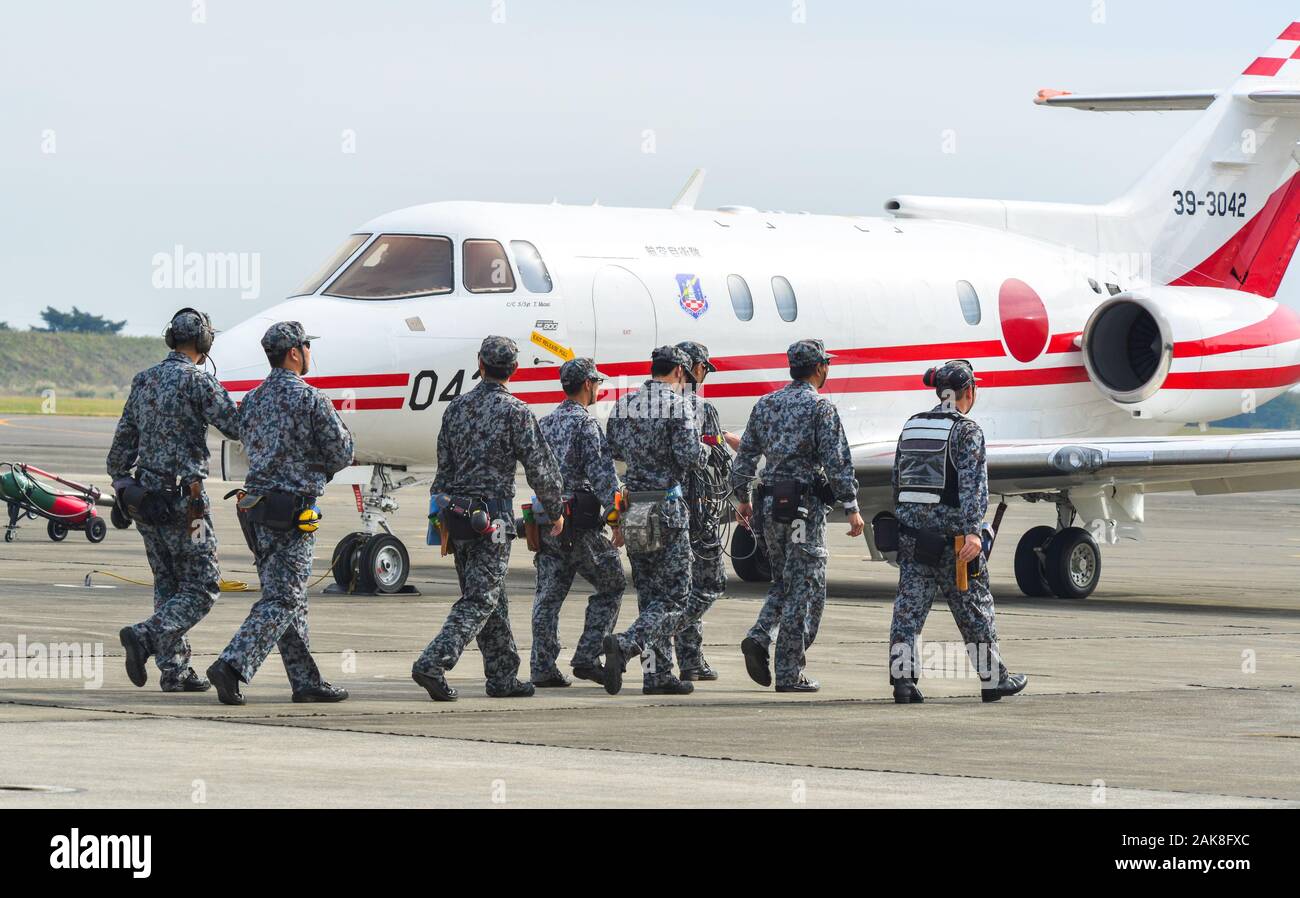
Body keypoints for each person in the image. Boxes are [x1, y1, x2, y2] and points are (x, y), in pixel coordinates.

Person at [205, 321, 354, 705]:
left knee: (287, 595)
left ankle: (305, 681)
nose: (309, 353)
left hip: (256, 509)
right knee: (284, 600)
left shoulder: (252, 399)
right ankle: (232, 664)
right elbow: (342, 452)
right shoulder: (311, 400)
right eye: (306, 346)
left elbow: (242, 439)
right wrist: (317, 469)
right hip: (292, 511)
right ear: (294, 352)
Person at [411, 336, 565, 702]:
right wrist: (555, 511)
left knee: (490, 597)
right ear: (514, 370)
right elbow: (540, 469)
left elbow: (443, 470)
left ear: (479, 364)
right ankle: (433, 661)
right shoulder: (516, 411)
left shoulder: (456, 408)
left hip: (458, 516)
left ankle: (502, 676)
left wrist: (441, 522)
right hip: (492, 520)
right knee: (481, 599)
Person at [112, 308, 239, 693]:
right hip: (189, 505)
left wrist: (125, 488)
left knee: (167, 583)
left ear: (171, 339)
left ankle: (176, 670)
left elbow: (120, 452)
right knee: (202, 585)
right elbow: (235, 426)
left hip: (146, 501)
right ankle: (145, 637)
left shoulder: (144, 380)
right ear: (203, 342)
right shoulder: (199, 383)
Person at [887, 359, 1027, 704]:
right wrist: (974, 533)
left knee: (908, 612)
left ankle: (903, 683)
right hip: (955, 543)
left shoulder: (912, 426)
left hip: (914, 539)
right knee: (974, 610)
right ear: (969, 391)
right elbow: (974, 488)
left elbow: (897, 482)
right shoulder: (968, 431)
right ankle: (994, 679)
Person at [732, 339, 863, 693]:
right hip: (804, 510)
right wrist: (851, 508)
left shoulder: (766, 404)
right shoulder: (821, 409)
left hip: (769, 506)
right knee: (803, 590)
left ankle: (761, 636)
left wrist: (742, 499)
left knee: (785, 582)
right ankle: (789, 672)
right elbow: (838, 462)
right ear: (819, 367)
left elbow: (744, 457)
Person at [601, 345, 706, 696]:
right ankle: (628, 643)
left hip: (634, 508)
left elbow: (613, 451)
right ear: (678, 371)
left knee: (649, 596)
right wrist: (707, 448)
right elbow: (690, 457)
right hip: (667, 508)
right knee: (676, 597)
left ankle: (657, 674)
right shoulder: (679, 405)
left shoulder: (624, 404)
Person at [529, 357, 626, 687]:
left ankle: (542, 667)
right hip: (579, 524)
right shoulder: (586, 425)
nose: (599, 388)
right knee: (612, 582)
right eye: (597, 382)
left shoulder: (545, 423)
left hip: (547, 518)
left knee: (548, 598)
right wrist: (617, 520)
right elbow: (604, 479)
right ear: (587, 384)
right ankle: (587, 656)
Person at [673, 341, 741, 682]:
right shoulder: (701, 408)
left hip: (656, 512)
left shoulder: (646, 407)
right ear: (695, 368)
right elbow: (718, 460)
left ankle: (690, 660)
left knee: (676, 587)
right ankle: (657, 632)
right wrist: (741, 496)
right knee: (710, 582)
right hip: (697, 511)